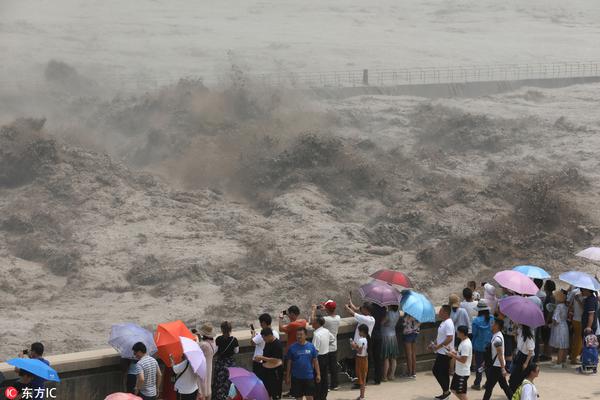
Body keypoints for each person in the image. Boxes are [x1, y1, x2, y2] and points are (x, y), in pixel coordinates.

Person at [285, 327, 320, 400]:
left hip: (309, 377)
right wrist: (287, 376)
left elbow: (315, 361)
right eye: (297, 334)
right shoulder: (292, 347)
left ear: (306, 336)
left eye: (301, 334)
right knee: (298, 398)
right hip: (296, 377)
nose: (299, 336)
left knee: (310, 397)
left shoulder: (311, 346)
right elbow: (289, 363)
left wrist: (318, 374)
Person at [482, 319, 512, 400]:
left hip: (497, 366)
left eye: (493, 324)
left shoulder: (497, 339)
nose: (492, 325)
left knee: (489, 386)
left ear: (497, 326)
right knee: (504, 385)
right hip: (497, 365)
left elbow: (500, 354)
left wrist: (502, 368)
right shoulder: (496, 335)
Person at [429, 304, 454, 400]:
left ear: (445, 313)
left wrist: (438, 346)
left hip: (445, 353)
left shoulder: (448, 323)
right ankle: (445, 392)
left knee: (436, 370)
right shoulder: (444, 322)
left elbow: (449, 338)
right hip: (442, 351)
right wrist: (433, 344)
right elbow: (441, 337)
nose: (439, 312)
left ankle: (446, 391)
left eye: (441, 311)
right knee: (443, 372)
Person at [254, 328, 284, 400]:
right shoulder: (267, 343)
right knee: (267, 393)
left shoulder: (277, 345)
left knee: (275, 394)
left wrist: (262, 358)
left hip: (275, 373)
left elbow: (278, 360)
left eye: (264, 338)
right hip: (266, 372)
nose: (264, 340)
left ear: (270, 335)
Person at [470, 301, 494, 391]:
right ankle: (488, 383)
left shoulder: (476, 321)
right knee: (488, 365)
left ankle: (477, 383)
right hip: (489, 345)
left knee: (479, 365)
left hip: (478, 345)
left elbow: (474, 333)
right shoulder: (491, 318)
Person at [213, 321, 239, 400]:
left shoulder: (218, 339)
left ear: (221, 329)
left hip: (220, 363)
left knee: (219, 383)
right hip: (230, 364)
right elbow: (236, 351)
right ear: (230, 330)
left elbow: (215, 351)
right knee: (229, 382)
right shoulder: (234, 340)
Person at [311, 315, 334, 400]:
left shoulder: (316, 334)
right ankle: (323, 397)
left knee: (317, 378)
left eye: (313, 321)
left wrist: (312, 364)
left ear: (317, 323)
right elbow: (332, 339)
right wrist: (325, 345)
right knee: (324, 378)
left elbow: (315, 352)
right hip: (326, 356)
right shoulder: (326, 331)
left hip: (319, 359)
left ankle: (317, 397)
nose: (312, 323)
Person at [320, 300, 341, 391]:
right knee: (333, 367)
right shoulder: (338, 318)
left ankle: (325, 386)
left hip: (325, 347)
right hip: (334, 345)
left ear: (327, 309)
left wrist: (314, 310)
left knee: (324, 368)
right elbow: (331, 313)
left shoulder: (325, 319)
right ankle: (334, 385)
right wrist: (326, 309)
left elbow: (315, 321)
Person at [448, 325, 472, 400]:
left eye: (458, 332)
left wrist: (452, 355)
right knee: (453, 389)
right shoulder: (463, 342)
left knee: (461, 393)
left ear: (462, 333)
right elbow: (460, 354)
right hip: (458, 372)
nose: (456, 333)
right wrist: (453, 351)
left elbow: (463, 360)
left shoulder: (466, 344)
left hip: (463, 373)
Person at [508, 324, 534, 393]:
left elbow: (530, 351)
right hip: (520, 355)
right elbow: (517, 342)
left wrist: (526, 363)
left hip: (525, 358)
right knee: (515, 375)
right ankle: (514, 391)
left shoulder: (529, 338)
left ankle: (520, 392)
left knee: (521, 376)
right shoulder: (520, 332)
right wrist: (515, 334)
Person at [449, 294, 470, 374]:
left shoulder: (450, 312)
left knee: (454, 351)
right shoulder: (463, 311)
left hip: (455, 334)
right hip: (463, 334)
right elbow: (468, 323)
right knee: (463, 352)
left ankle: (451, 369)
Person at [549, 290, 569, 368]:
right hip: (564, 325)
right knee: (564, 344)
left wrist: (551, 324)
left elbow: (556, 319)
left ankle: (558, 363)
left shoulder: (558, 306)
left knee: (560, 345)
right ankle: (563, 361)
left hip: (559, 327)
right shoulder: (565, 306)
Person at [381, 304, 400, 381]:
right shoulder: (398, 313)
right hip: (393, 335)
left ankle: (385, 376)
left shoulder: (388, 313)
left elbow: (382, 323)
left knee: (386, 357)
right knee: (393, 357)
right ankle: (392, 375)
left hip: (386, 336)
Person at [197, 324, 217, 400]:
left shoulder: (203, 345)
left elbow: (196, 349)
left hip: (202, 369)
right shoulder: (213, 343)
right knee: (208, 387)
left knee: (201, 388)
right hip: (209, 368)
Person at [369, 302, 386, 385]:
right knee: (377, 358)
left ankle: (365, 378)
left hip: (370, 334)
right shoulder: (383, 309)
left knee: (368, 357)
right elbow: (382, 322)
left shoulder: (371, 307)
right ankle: (377, 379)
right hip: (379, 334)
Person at [350, 324, 369, 400]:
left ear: (362, 332)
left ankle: (362, 396)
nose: (358, 333)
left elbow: (359, 351)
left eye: (359, 331)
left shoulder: (361, 340)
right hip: (365, 359)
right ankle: (362, 395)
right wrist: (355, 346)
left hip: (360, 360)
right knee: (363, 378)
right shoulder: (365, 339)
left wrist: (353, 346)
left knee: (361, 378)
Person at [539, 280, 556, 361]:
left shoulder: (550, 298)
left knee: (547, 338)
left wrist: (546, 321)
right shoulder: (550, 296)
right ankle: (546, 354)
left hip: (547, 320)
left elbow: (550, 310)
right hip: (546, 319)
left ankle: (547, 355)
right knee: (546, 338)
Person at [567, 287, 584, 364]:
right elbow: (584, 308)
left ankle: (572, 355)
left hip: (575, 318)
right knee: (579, 341)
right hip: (579, 320)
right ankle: (573, 358)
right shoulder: (582, 296)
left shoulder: (575, 292)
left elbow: (569, 304)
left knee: (576, 339)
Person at [402, 313, 420, 379]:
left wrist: (407, 319)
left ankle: (409, 372)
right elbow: (420, 323)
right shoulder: (417, 314)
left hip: (408, 334)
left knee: (408, 354)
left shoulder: (407, 315)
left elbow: (404, 324)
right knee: (413, 354)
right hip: (415, 334)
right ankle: (414, 372)